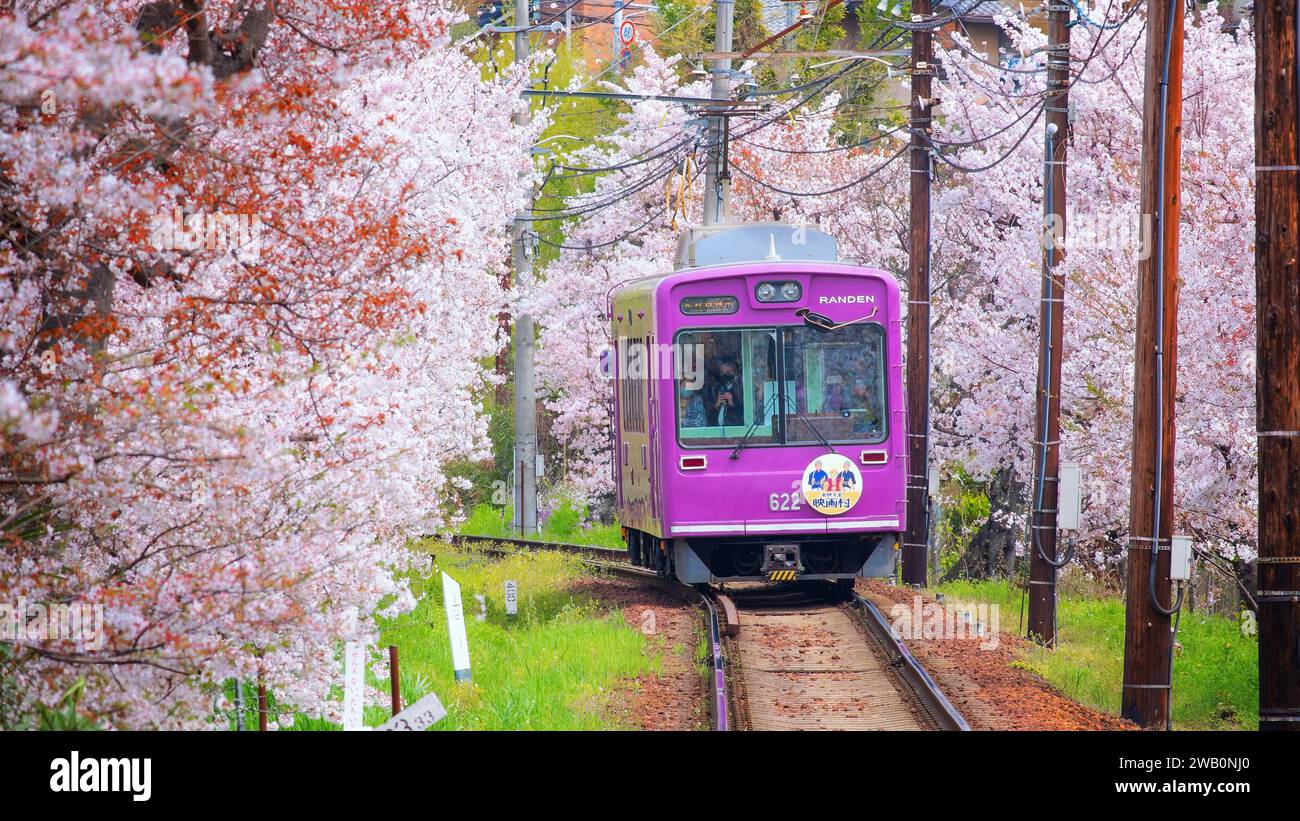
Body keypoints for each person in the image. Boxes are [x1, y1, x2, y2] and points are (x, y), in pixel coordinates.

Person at [707, 355, 746, 427]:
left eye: (728, 372)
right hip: (715, 431)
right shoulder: (716, 388)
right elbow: (708, 416)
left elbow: (746, 415)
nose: (723, 375)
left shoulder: (741, 387)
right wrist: (717, 405)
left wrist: (732, 403)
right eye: (721, 373)